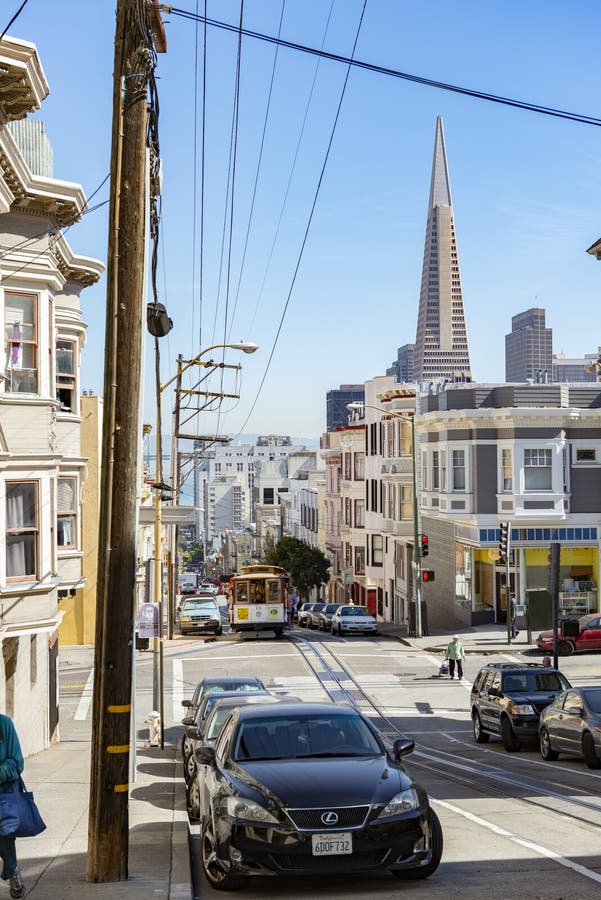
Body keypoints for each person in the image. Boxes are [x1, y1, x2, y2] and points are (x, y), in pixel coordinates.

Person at [0, 714, 25, 899]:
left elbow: (17, 762)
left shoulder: (4, 724)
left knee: (4, 837)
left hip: (4, 795)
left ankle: (13, 870)